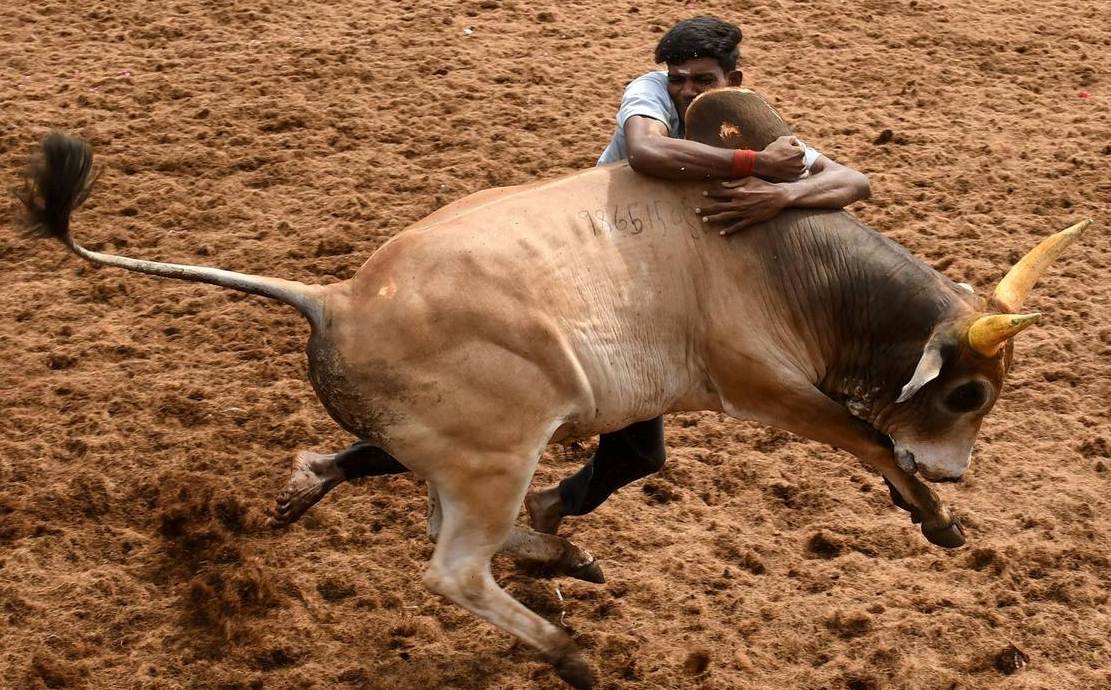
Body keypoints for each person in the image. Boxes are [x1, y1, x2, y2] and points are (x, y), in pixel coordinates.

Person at [269, 16, 870, 531]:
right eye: (678, 77)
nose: (686, 90)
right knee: (513, 417)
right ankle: (336, 466)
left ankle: (549, 502)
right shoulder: (651, 95)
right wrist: (754, 163)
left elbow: (852, 181)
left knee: (633, 453)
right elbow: (647, 152)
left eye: (701, 81)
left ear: (733, 81)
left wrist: (782, 195)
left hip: (663, 297)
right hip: (595, 274)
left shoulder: (743, 115)